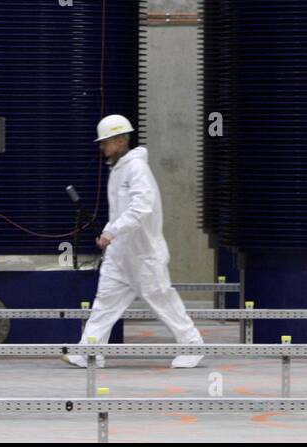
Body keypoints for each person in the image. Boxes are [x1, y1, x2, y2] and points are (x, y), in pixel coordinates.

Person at [64, 114, 205, 369]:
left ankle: (193, 345)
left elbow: (142, 207)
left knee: (162, 299)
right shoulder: (118, 170)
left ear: (119, 140)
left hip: (143, 255)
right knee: (104, 303)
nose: (102, 147)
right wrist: (109, 232)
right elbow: (120, 211)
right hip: (121, 255)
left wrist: (113, 230)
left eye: (106, 142)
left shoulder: (136, 168)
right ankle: (89, 352)